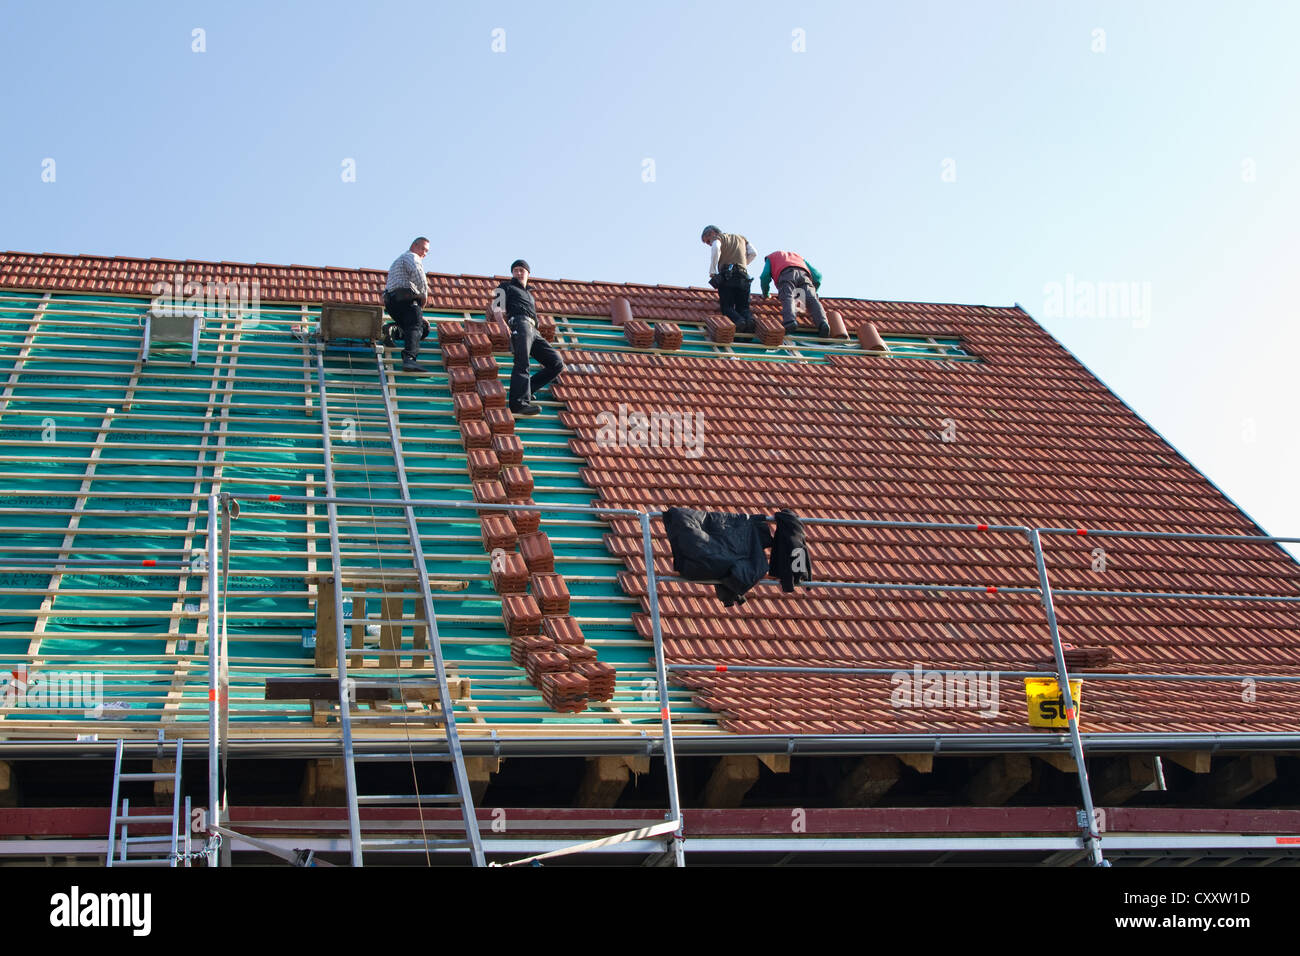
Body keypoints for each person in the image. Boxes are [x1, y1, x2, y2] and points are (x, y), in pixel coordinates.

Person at [493, 259, 564, 416]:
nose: (518, 273)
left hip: (533, 329)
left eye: (521, 270)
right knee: (522, 362)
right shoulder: (504, 286)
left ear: (528, 273)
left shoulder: (530, 294)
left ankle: (527, 390)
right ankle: (518, 403)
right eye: (515, 270)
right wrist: (502, 324)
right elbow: (496, 307)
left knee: (556, 363)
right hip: (519, 324)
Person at [384, 237, 431, 372]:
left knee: (423, 328)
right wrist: (423, 298)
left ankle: (393, 330)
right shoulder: (412, 257)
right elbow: (419, 276)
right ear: (414, 246)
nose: (424, 253)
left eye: (427, 251)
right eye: (422, 248)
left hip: (392, 302)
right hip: (406, 298)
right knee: (416, 326)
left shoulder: (398, 261)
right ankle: (409, 360)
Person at [700, 225, 757, 334]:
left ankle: (739, 321)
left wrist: (712, 271)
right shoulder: (741, 238)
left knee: (727, 307)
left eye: (708, 241)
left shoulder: (719, 238)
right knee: (743, 307)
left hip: (727, 277)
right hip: (743, 276)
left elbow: (716, 247)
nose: (709, 244)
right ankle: (749, 322)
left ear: (712, 233)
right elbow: (754, 253)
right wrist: (743, 265)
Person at [760, 250, 830, 337]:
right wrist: (813, 291)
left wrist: (766, 293)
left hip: (786, 273)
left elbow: (764, 276)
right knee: (812, 298)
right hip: (804, 275)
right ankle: (823, 323)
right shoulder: (798, 257)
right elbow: (818, 276)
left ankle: (790, 322)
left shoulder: (770, 257)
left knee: (788, 296)